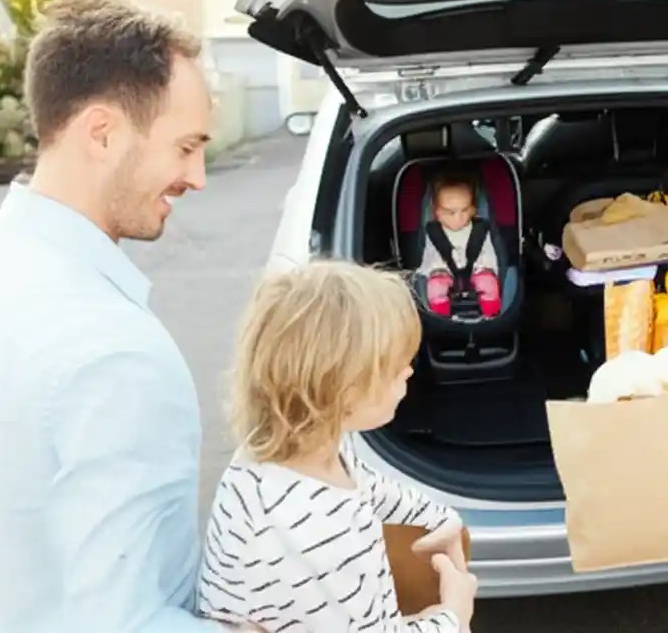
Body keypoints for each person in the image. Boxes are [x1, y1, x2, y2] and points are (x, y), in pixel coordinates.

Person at [0, 0, 250, 632]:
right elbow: (128, 623)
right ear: (103, 133)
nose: (197, 177)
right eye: (186, 146)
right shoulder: (118, 352)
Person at [197, 260, 478, 632]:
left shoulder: (293, 452)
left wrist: (439, 517)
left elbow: (369, 488)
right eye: (398, 366)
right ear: (344, 389)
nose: (410, 372)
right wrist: (453, 615)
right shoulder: (320, 532)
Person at [417, 171, 501, 318]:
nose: (459, 217)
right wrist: (436, 270)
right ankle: (441, 317)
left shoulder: (479, 229)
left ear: (474, 210)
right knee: (435, 287)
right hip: (444, 270)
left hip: (477, 268)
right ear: (437, 212)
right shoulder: (434, 232)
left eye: (465, 210)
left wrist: (486, 268)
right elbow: (430, 257)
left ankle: (491, 315)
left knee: (488, 283)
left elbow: (488, 252)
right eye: (451, 212)